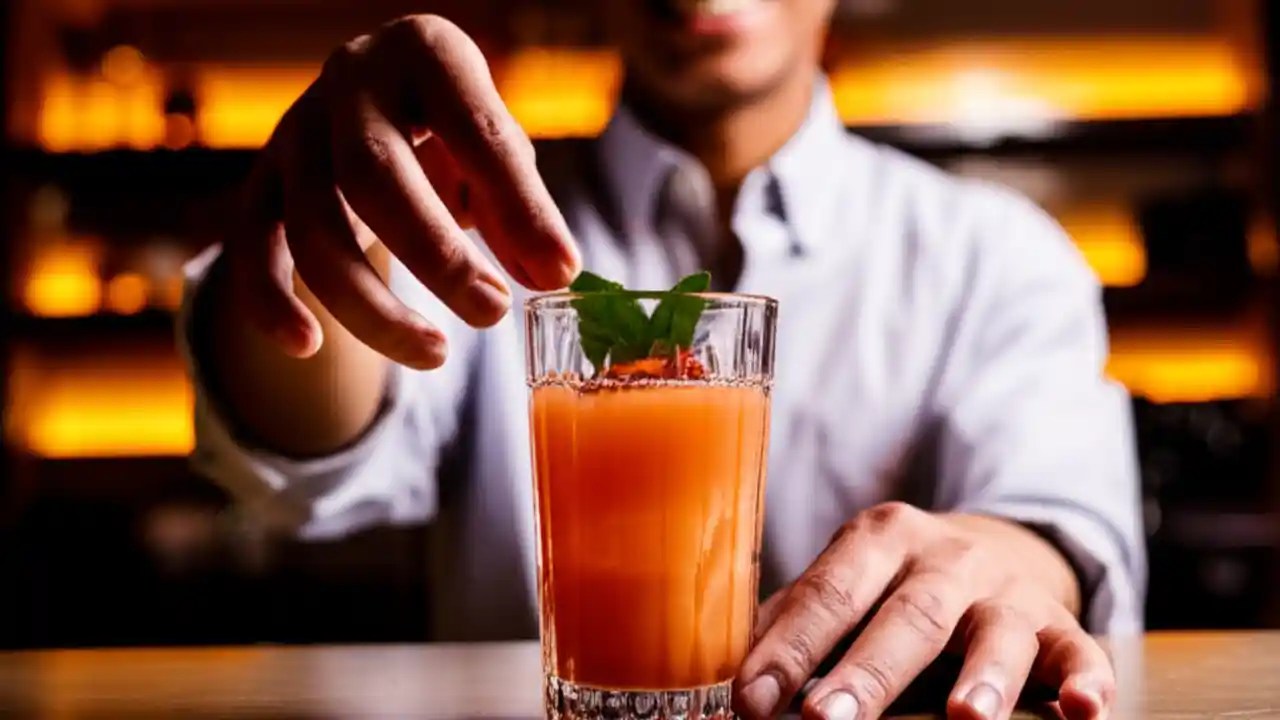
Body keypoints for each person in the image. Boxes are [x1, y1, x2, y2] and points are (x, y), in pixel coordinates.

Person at [181, 2, 1143, 719]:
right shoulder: (454, 222)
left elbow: (1055, 527)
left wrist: (1001, 567)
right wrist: (331, 220)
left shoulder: (997, 253)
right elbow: (300, 459)